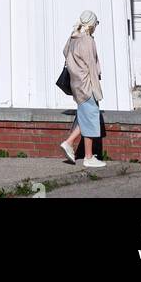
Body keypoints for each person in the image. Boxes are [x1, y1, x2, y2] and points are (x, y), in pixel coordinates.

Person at [59, 9, 106, 168]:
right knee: (91, 118)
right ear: (92, 24)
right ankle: (87, 156)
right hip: (87, 86)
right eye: (96, 23)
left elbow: (65, 52)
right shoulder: (87, 41)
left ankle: (70, 143)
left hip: (76, 85)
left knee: (85, 117)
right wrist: (97, 90)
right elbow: (92, 67)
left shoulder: (73, 38)